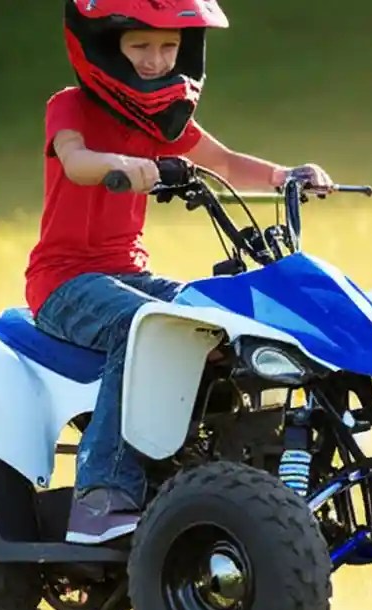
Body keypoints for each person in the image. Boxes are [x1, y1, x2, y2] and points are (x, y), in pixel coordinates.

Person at [27, 0, 337, 545]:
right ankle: (102, 495)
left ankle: (207, 472)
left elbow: (226, 164)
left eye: (169, 47)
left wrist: (288, 175)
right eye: (140, 46)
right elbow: (75, 161)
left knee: (224, 318)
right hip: (65, 283)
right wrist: (118, 165)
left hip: (129, 273)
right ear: (105, 45)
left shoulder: (161, 119)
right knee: (144, 327)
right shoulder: (70, 106)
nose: (155, 60)